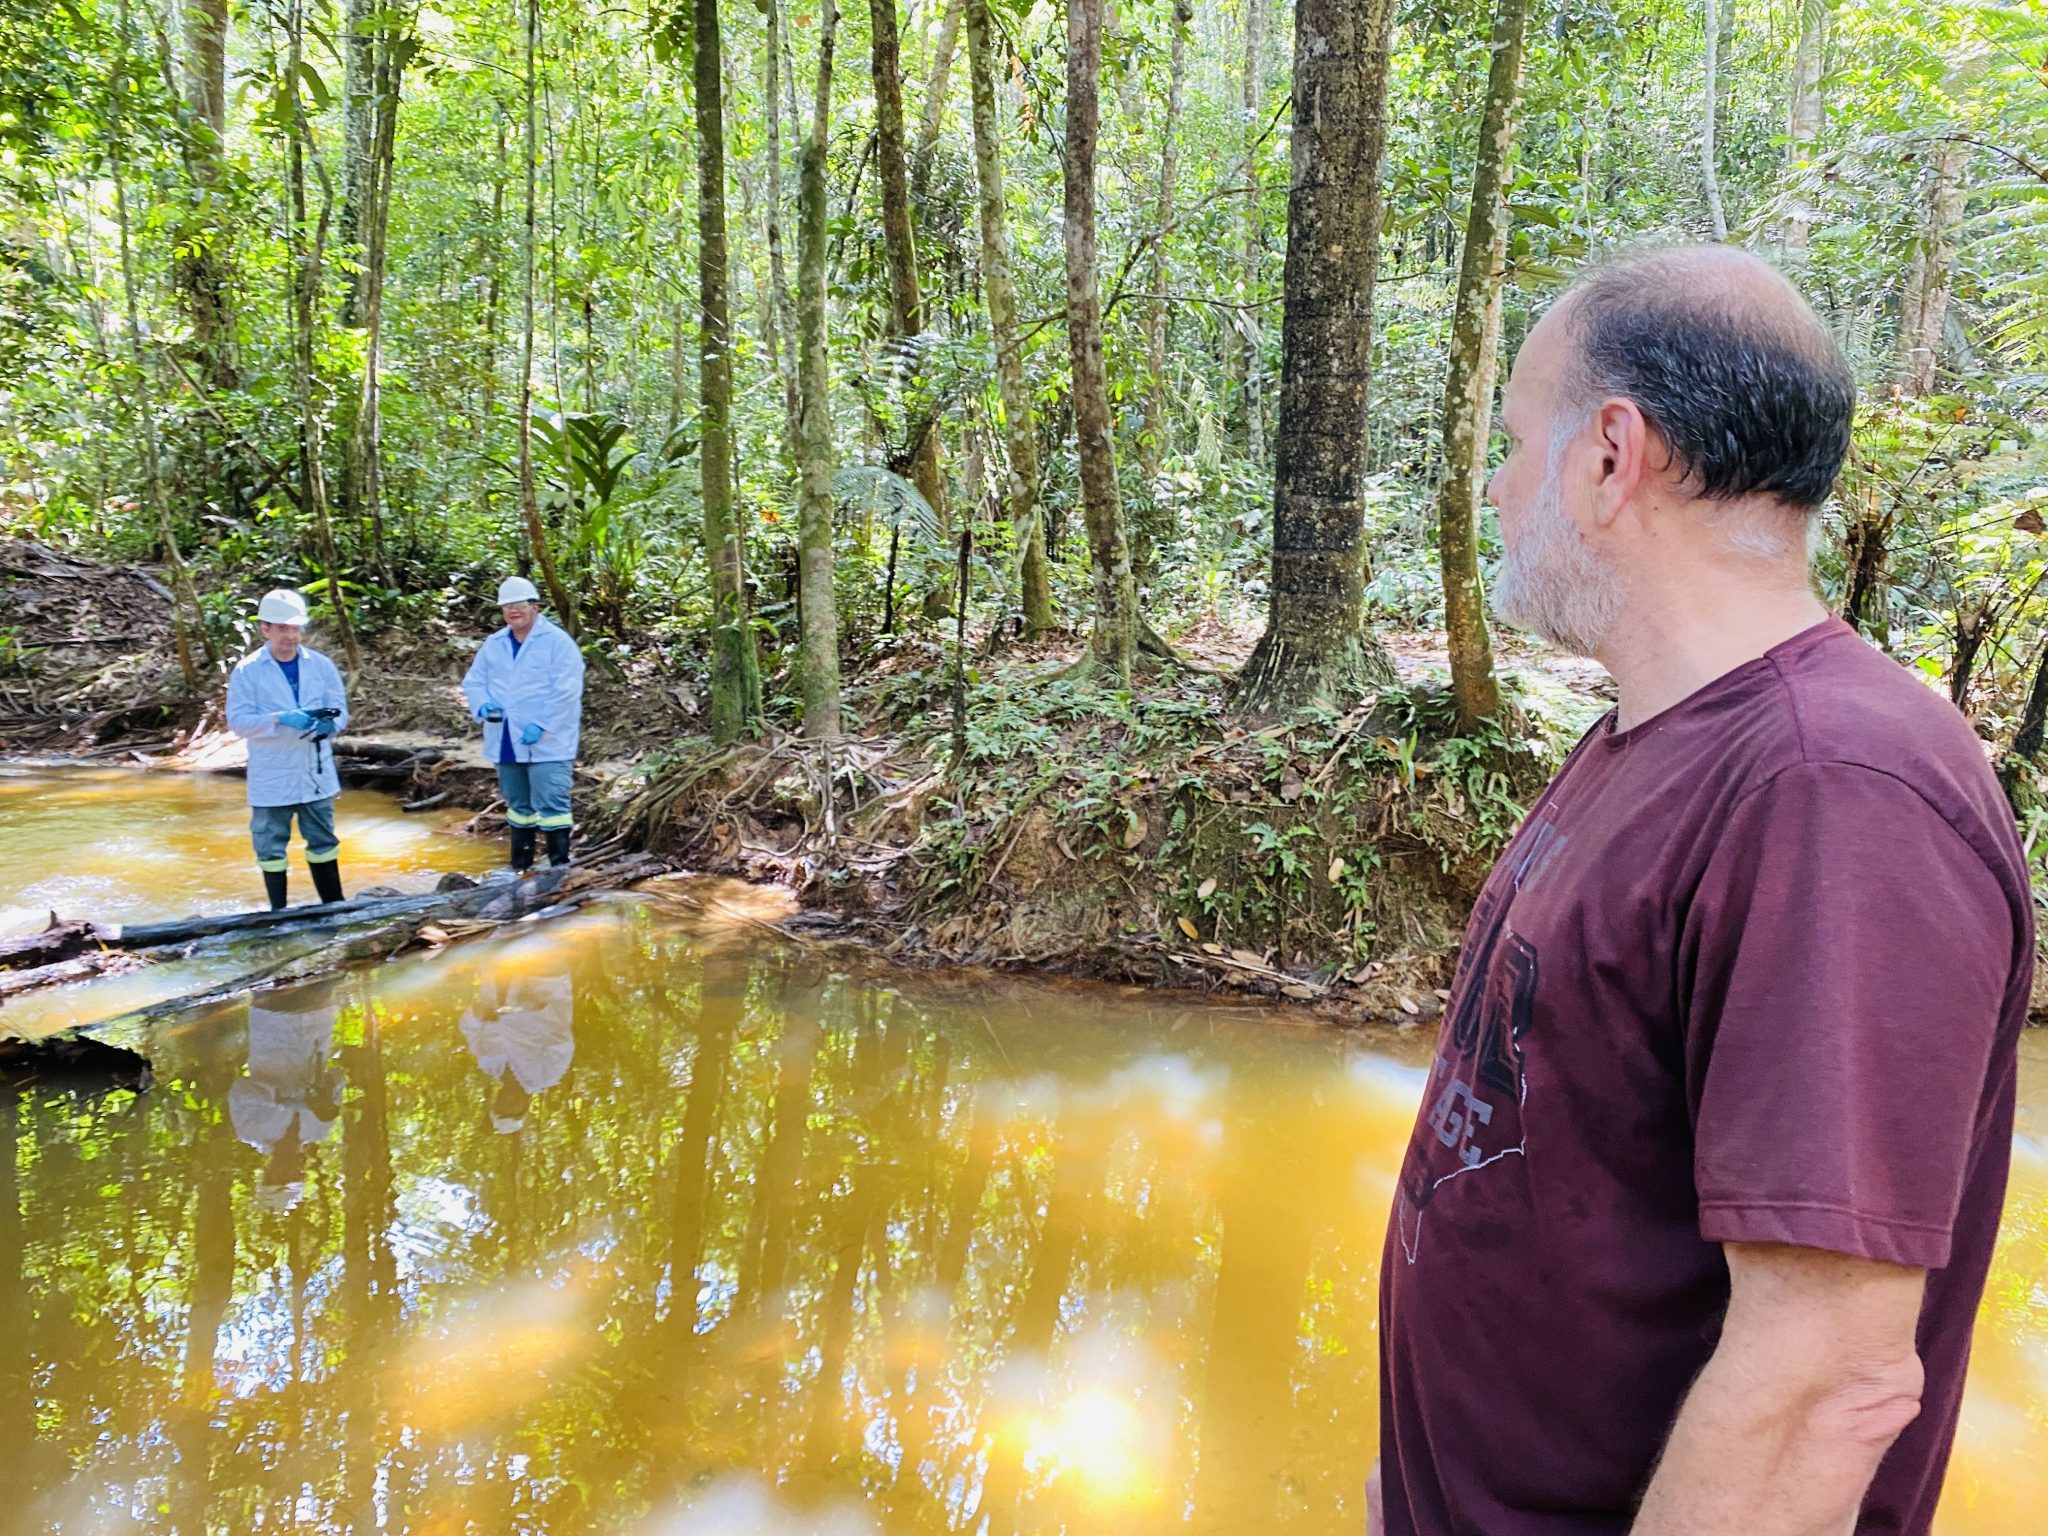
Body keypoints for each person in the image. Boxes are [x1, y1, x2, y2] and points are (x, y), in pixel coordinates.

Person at [1373, 247, 2032, 1536]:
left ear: (1612, 454)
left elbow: (1825, 1383)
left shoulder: (1833, 791)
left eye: (1514, 444)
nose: (1498, 492)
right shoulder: (1660, 736)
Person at [226, 588, 350, 911]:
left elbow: (339, 709)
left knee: (323, 841)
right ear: (265, 629)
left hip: (314, 769)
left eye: (296, 629)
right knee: (270, 846)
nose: (291, 636)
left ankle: (334, 908)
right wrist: (280, 719)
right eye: (283, 628)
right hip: (272, 774)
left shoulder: (321, 666)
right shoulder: (247, 670)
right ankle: (277, 913)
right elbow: (238, 722)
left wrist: (330, 725)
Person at [462, 575, 586, 872]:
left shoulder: (557, 643)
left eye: (519, 604)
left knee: (552, 804)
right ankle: (520, 866)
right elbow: (474, 681)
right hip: (505, 737)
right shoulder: (494, 644)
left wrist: (541, 724)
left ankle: (559, 867)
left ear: (535, 607)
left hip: (548, 740)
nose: (512, 611)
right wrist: (482, 705)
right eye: (507, 606)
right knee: (518, 805)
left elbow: (567, 690)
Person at [459, 964, 575, 1134]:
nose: (508, 1102)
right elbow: (562, 1041)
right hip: (543, 982)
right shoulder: (547, 1076)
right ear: (525, 1105)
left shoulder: (488, 1065)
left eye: (502, 1107)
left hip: (497, 981)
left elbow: (470, 1030)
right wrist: (532, 1010)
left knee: (496, 942)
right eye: (513, 1109)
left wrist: (476, 1016)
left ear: (495, 1102)